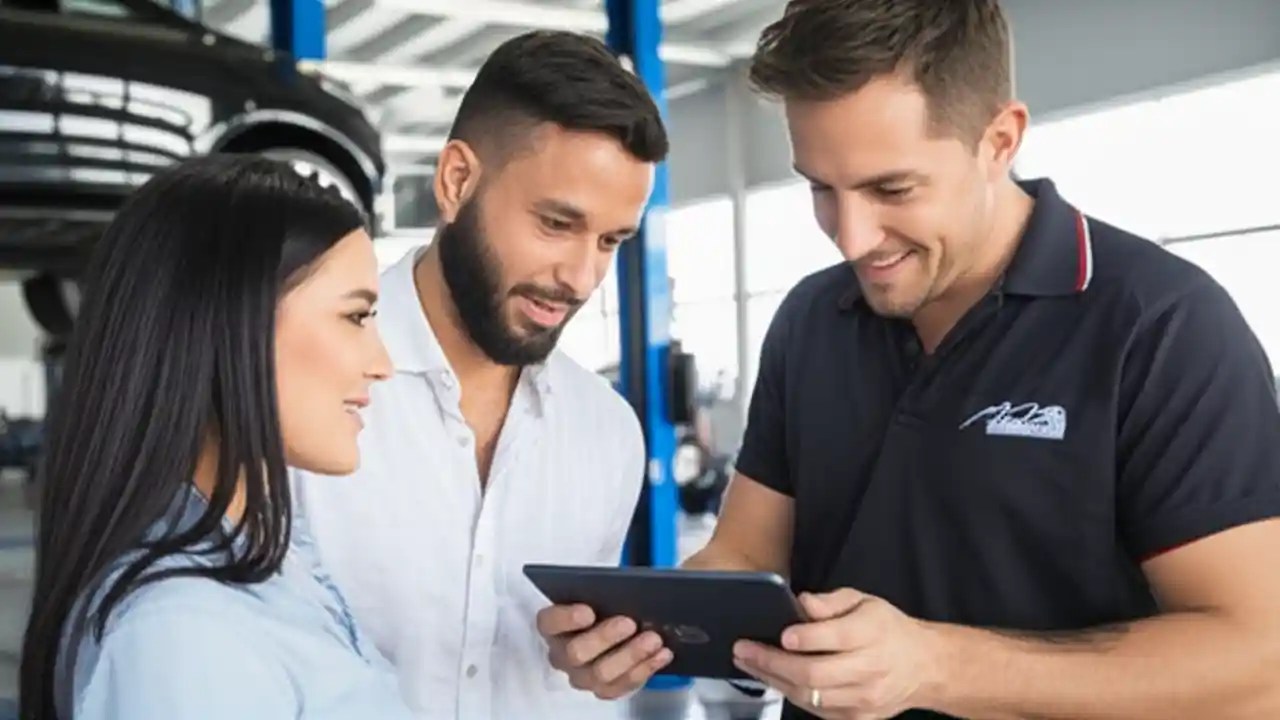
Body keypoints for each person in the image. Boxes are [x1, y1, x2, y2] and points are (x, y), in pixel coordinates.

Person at [536, 1, 1280, 718]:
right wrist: (651, 632)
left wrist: (936, 667)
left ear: (1000, 141)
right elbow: (742, 555)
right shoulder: (811, 320)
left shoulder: (1161, 327)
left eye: (891, 189)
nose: (852, 236)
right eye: (820, 188)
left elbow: (1259, 665)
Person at [289, 30, 669, 720]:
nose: (582, 278)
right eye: (556, 223)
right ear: (457, 181)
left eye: (610, 241)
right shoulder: (298, 389)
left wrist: (604, 667)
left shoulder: (607, 432)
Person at [18, 154, 413, 720]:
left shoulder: (269, 553)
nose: (382, 364)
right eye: (356, 317)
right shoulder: (184, 638)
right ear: (231, 321)